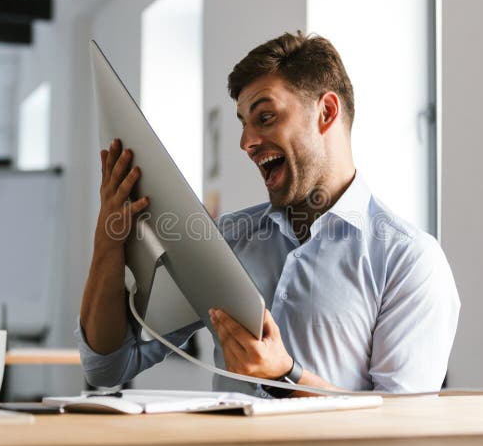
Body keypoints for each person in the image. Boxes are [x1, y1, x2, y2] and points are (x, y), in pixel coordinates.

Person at [77, 32, 460, 397]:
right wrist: (108, 242)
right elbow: (109, 366)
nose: (246, 143)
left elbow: (404, 426)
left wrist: (286, 375)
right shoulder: (227, 240)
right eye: (243, 124)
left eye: (264, 118)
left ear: (326, 112)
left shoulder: (409, 261)